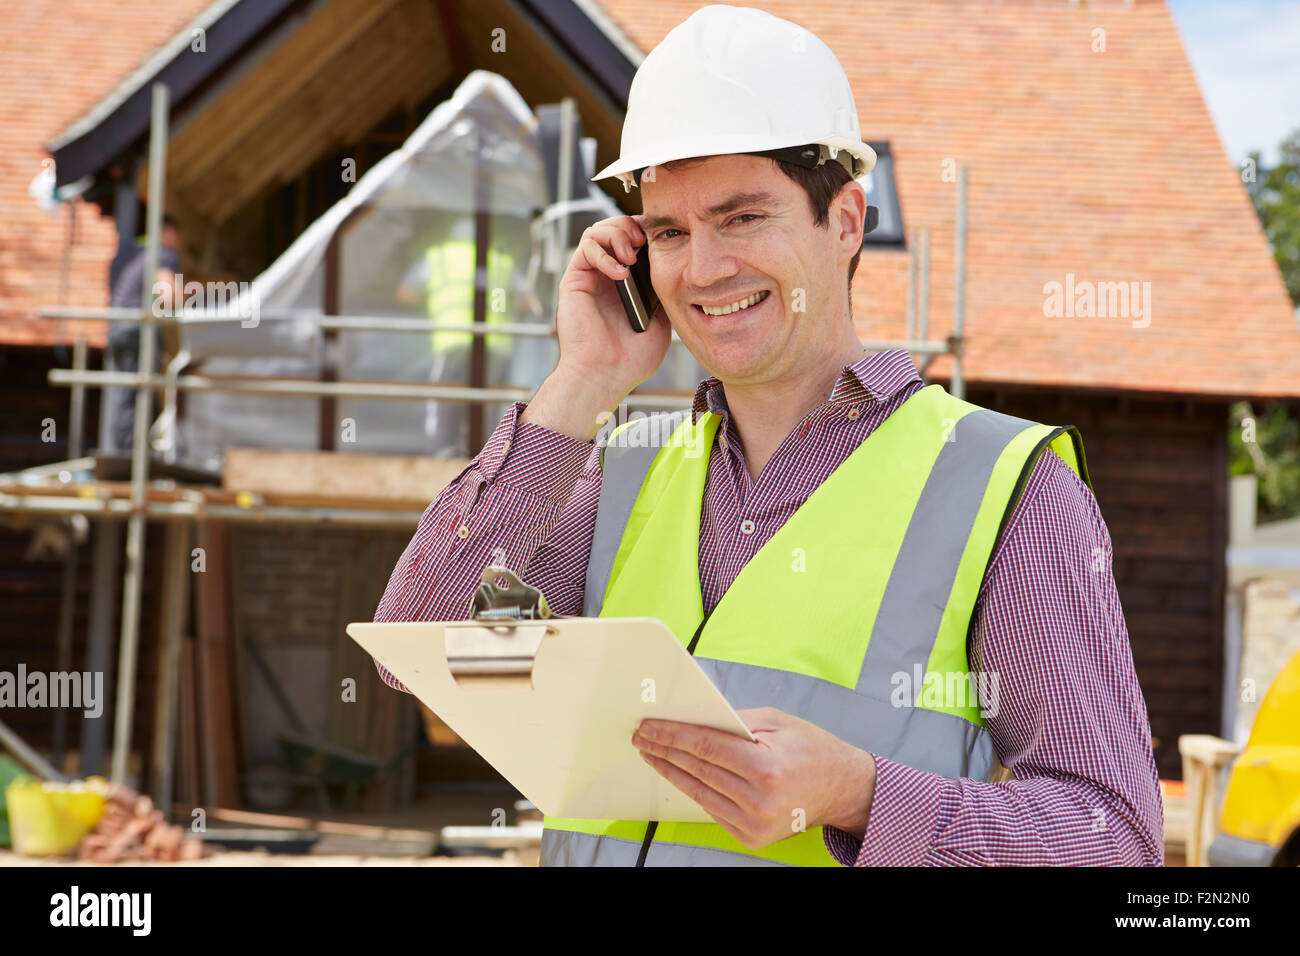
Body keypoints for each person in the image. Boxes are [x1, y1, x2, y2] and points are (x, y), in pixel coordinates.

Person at [370, 5, 1162, 866]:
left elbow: (1112, 841)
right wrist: (581, 382)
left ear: (847, 222)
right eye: (669, 231)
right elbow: (419, 651)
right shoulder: (621, 473)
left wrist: (861, 796)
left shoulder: (1004, 488)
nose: (704, 269)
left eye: (743, 217)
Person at [396, 216, 515, 457]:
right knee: (487, 400)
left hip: (454, 339)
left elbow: (405, 293)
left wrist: (431, 301)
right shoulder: (500, 260)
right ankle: (487, 454)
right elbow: (528, 298)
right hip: (496, 343)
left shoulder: (439, 257)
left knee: (447, 395)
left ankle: (444, 450)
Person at [105, 216, 181, 453]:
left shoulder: (132, 254)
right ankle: (132, 458)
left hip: (117, 328)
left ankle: (124, 454)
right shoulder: (164, 254)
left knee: (126, 392)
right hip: (138, 330)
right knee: (139, 393)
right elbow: (170, 296)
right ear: (167, 232)